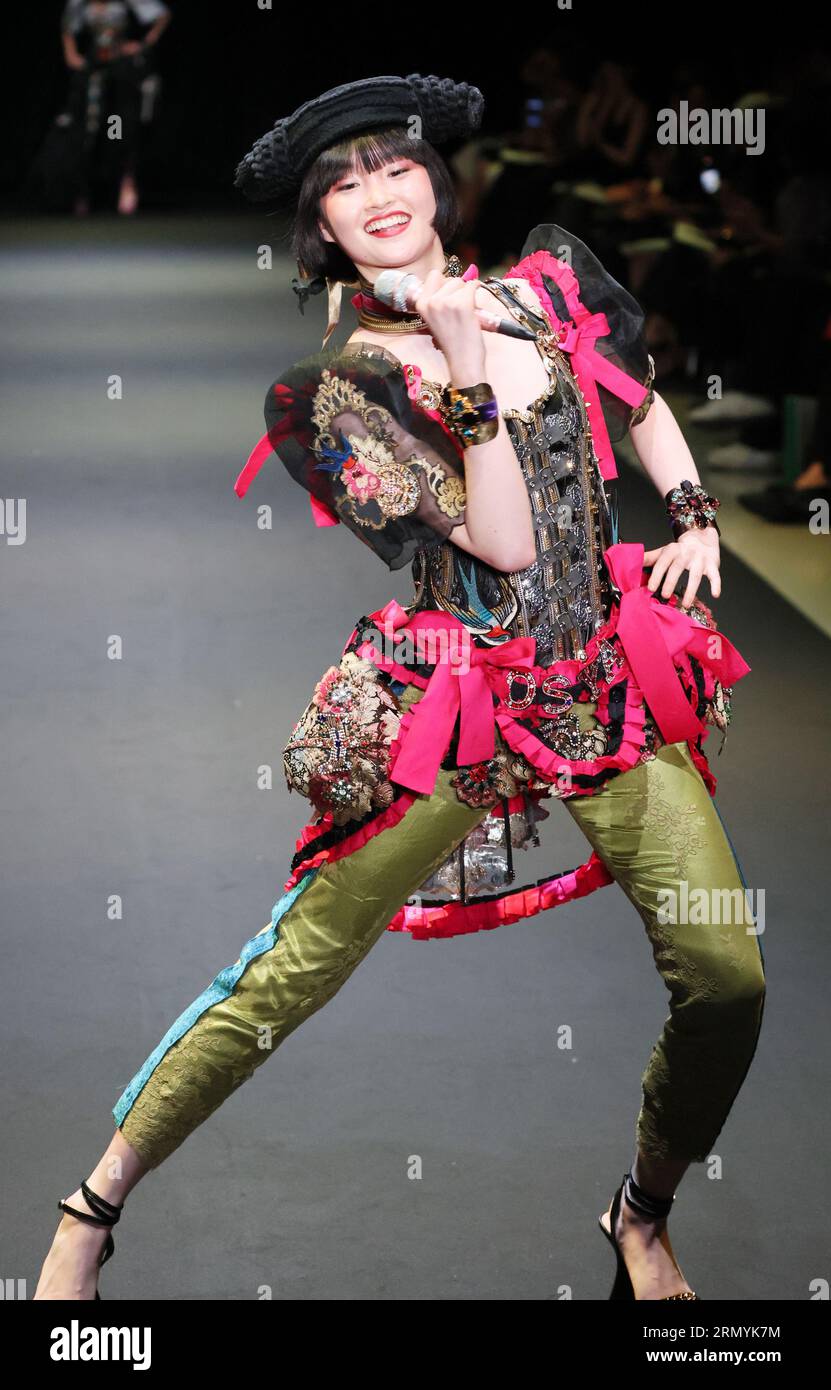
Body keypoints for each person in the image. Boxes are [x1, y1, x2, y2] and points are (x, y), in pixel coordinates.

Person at [34, 74, 766, 1302]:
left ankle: (640, 1214)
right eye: (342, 185)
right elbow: (507, 542)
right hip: (457, 706)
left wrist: (691, 516)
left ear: (436, 184)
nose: (374, 195)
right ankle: (90, 1209)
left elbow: (639, 407)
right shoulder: (333, 392)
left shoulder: (545, 283)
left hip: (604, 694)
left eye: (392, 168)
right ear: (320, 226)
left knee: (728, 974)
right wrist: (468, 364)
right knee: (292, 971)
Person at [60, 0, 171, 215]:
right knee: (88, 128)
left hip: (121, 69)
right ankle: (82, 190)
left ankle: (126, 184)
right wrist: (71, 55)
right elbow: (67, 27)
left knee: (121, 126)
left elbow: (161, 15)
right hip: (93, 68)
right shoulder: (79, 4)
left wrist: (144, 43)